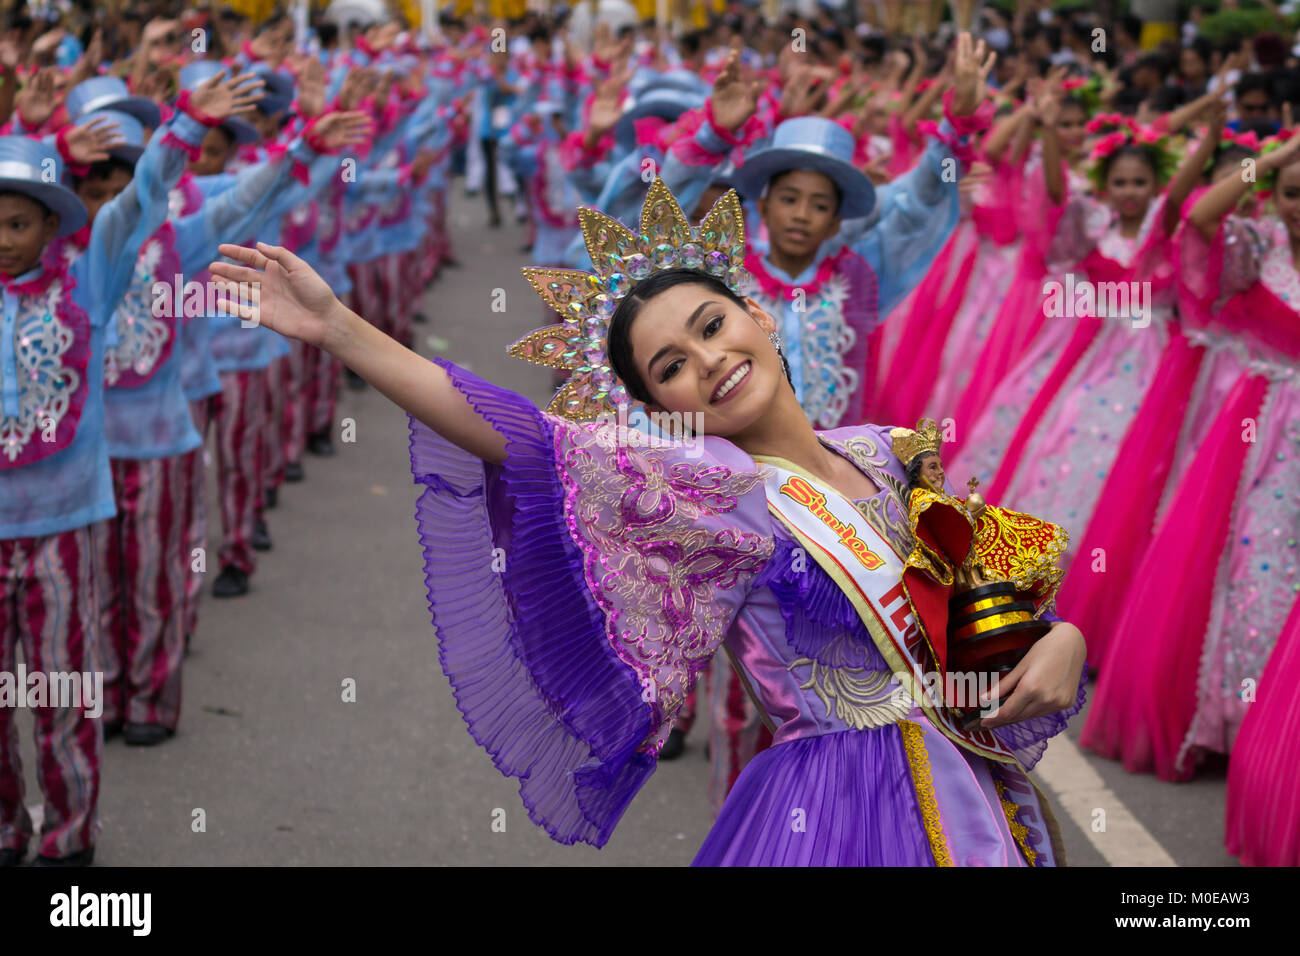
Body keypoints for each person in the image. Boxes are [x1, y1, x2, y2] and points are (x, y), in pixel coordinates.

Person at [207, 175, 1089, 866]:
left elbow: (995, 608)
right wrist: (337, 328)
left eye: (713, 324)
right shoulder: (705, 486)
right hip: (839, 806)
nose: (709, 360)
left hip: (974, 779)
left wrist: (1066, 641)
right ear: (657, 407)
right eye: (671, 364)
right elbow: (517, 437)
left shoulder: (889, 453)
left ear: (762, 315)